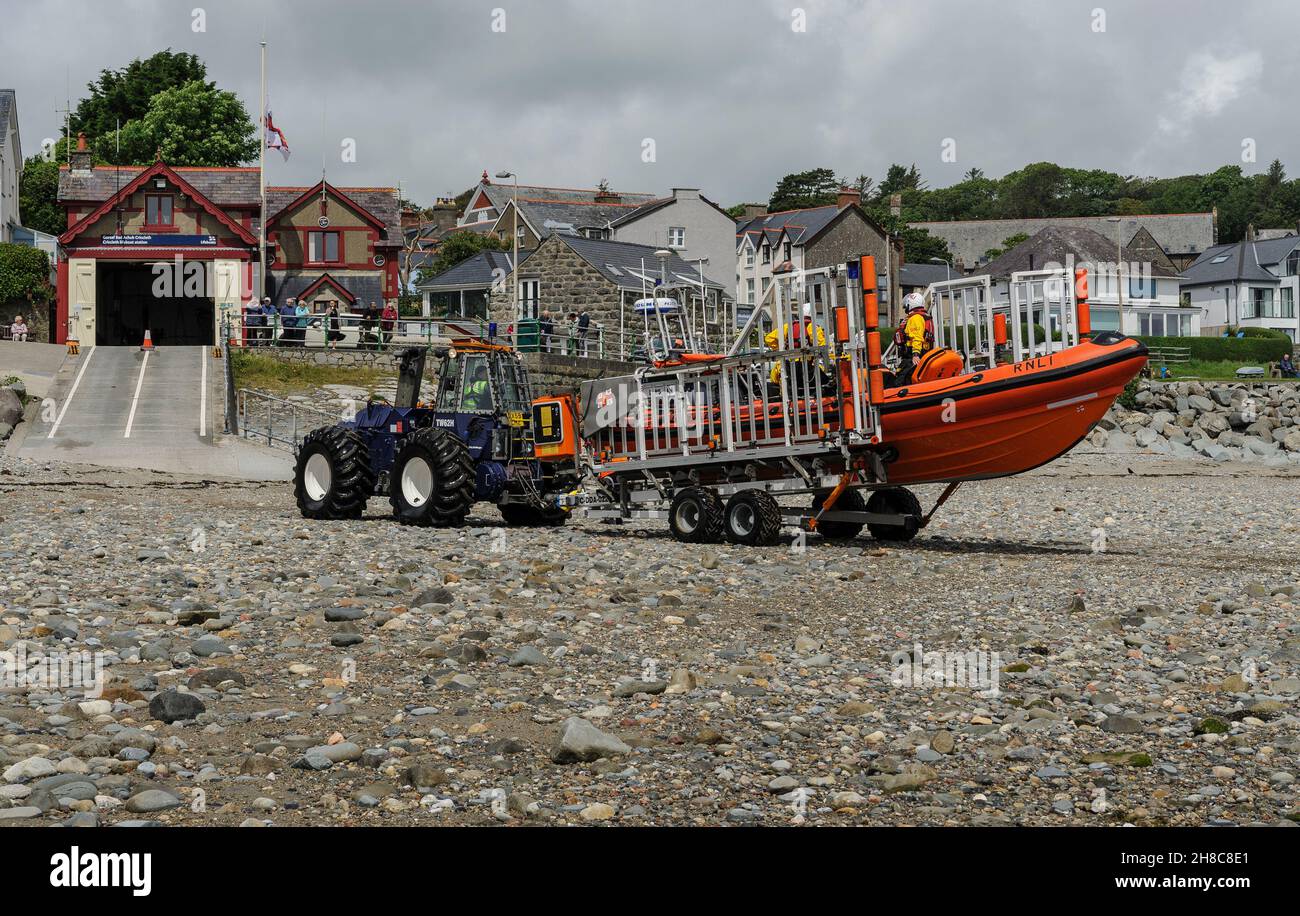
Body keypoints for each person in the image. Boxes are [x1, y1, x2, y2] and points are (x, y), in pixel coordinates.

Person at [764, 302, 828, 388]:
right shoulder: (813, 328)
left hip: (788, 364)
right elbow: (822, 345)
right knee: (824, 380)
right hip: (806, 366)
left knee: (778, 380)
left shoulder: (788, 327)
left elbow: (769, 338)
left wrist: (780, 348)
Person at [893, 292, 934, 385]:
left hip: (913, 357)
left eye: (906, 306)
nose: (905, 308)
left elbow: (917, 337)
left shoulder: (915, 318)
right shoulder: (923, 316)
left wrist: (915, 354)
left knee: (900, 382)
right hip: (922, 354)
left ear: (911, 304)